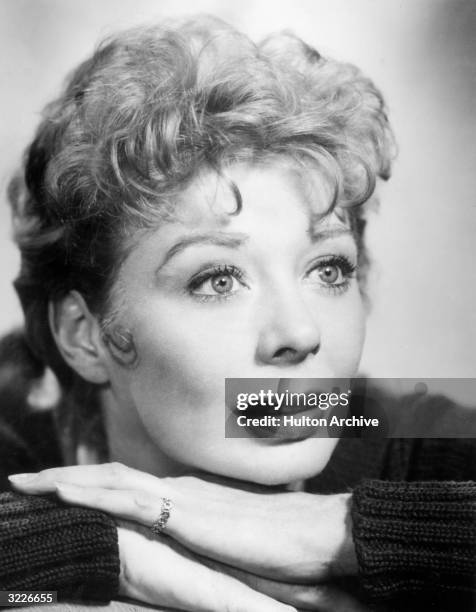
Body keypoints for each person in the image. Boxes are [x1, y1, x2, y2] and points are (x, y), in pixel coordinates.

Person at [0, 15, 475, 612]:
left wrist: (342, 532)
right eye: (218, 279)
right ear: (86, 336)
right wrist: (113, 554)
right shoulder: (14, 427)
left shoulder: (398, 431)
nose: (300, 333)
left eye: (328, 269)